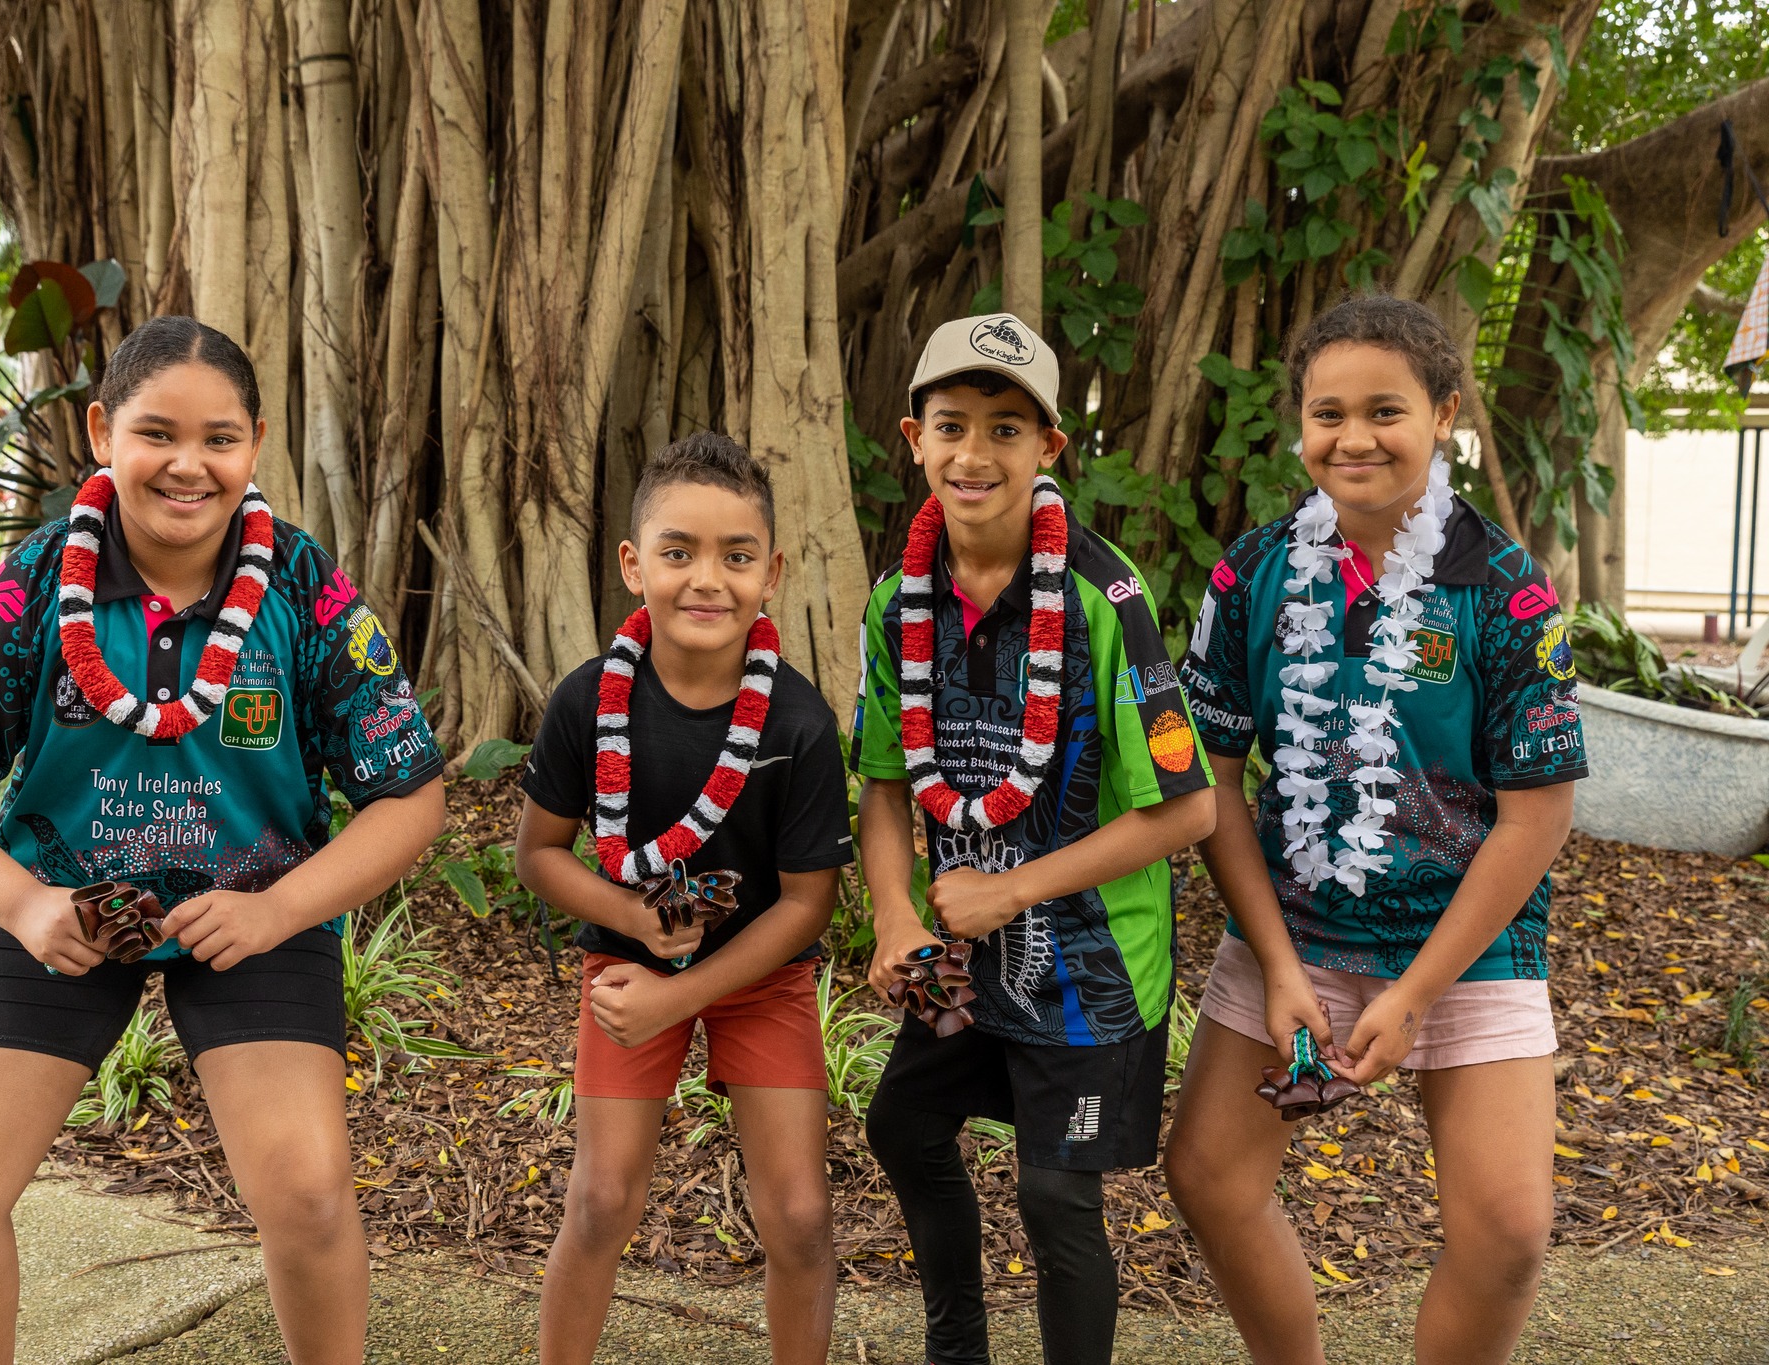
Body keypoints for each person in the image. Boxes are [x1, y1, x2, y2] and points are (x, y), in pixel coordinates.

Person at [0, 316, 447, 1365]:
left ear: (257, 444)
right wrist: (23, 905)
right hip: (57, 912)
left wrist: (278, 908)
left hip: (254, 914)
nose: (189, 465)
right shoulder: (32, 588)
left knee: (311, 1196)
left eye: (219, 438)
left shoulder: (305, 591)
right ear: (102, 432)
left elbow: (410, 795)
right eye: (156, 433)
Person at [1163, 294, 1585, 1365]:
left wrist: (1411, 997)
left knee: (1507, 1236)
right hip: (1293, 932)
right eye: (1326, 412)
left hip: (1471, 945)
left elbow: (1537, 814)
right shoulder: (1251, 574)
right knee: (1206, 1177)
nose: (1352, 437)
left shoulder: (1501, 589)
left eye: (1384, 410)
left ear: (1440, 415)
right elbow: (1211, 774)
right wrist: (1273, 961)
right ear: (1299, 423)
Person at [852, 313, 1218, 1365]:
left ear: (1049, 449)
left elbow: (1186, 810)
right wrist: (889, 915)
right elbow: (882, 782)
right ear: (911, 436)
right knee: (902, 1128)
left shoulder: (1106, 600)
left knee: (1057, 1200)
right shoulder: (895, 603)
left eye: (1005, 429)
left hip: (1092, 963)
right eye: (951, 425)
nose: (974, 454)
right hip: (965, 963)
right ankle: (954, 1349)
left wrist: (1012, 892)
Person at [513, 432, 852, 1365]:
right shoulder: (588, 702)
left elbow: (806, 906)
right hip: (629, 969)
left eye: (737, 557)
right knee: (601, 1198)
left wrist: (683, 991)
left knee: (797, 1213)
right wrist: (632, 921)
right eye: (679, 551)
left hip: (760, 974)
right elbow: (539, 853)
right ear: (633, 564)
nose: (708, 579)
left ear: (772, 572)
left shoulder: (800, 722)